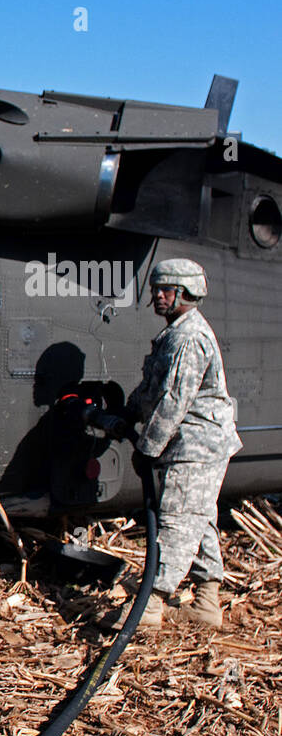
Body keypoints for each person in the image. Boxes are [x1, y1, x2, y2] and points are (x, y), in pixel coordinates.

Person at [124, 258, 241, 629]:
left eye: (165, 290)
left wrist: (148, 447)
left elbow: (173, 400)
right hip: (194, 443)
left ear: (187, 293)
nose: (157, 296)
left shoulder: (188, 338)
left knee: (177, 521)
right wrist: (126, 415)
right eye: (156, 289)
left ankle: (150, 608)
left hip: (196, 446)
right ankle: (206, 604)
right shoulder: (175, 334)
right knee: (200, 519)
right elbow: (152, 390)